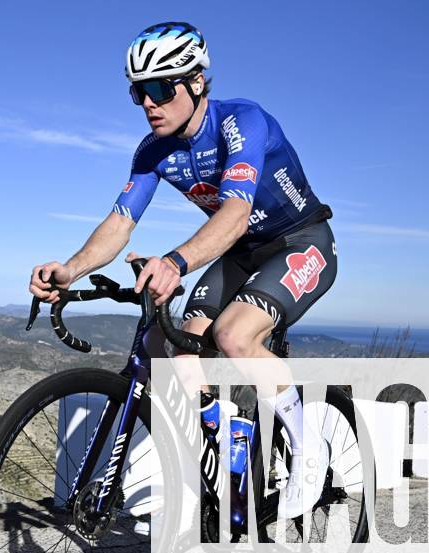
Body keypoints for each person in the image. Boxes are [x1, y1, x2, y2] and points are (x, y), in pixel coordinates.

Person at [29, 22, 337, 519]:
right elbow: (120, 221)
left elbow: (235, 214)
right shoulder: (153, 151)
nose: (149, 103)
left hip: (300, 241)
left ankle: (309, 448)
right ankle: (224, 432)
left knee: (234, 336)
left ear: (195, 82)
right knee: (177, 344)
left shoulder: (242, 122)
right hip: (241, 253)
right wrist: (71, 269)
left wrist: (174, 262)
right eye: (138, 92)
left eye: (160, 88)